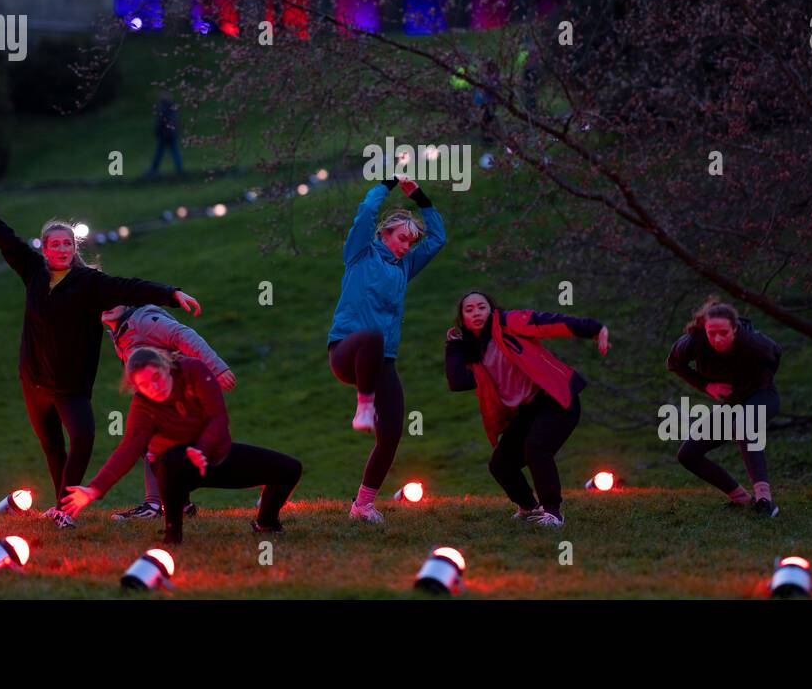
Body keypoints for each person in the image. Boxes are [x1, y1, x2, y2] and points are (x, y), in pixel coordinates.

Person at [0, 196, 200, 528]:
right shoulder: (33, 271)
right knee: (52, 448)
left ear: (73, 248)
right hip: (33, 380)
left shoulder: (89, 283)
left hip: (70, 386)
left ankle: (66, 507)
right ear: (45, 248)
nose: (61, 249)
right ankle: (63, 508)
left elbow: (129, 287)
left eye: (67, 243)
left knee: (84, 436)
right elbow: (7, 239)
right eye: (55, 244)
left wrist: (172, 294)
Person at [61, 347, 302, 543]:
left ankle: (266, 523)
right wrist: (93, 489)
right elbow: (129, 448)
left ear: (167, 367)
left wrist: (201, 450)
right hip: (174, 470)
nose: (154, 388)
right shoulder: (144, 405)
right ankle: (172, 533)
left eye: (156, 377)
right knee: (170, 458)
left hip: (214, 456)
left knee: (290, 469)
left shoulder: (193, 371)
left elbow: (217, 417)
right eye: (144, 385)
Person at [327, 172, 446, 523]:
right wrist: (389, 183)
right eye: (401, 239)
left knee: (392, 433)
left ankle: (362, 505)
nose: (406, 247)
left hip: (383, 363)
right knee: (372, 336)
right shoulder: (360, 254)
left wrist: (420, 197)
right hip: (346, 351)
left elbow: (438, 239)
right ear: (384, 234)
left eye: (410, 243)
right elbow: (365, 212)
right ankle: (363, 407)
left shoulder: (404, 266)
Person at [444, 292, 609, 527]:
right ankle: (530, 508)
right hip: (527, 411)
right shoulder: (470, 350)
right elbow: (457, 381)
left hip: (556, 398)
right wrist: (453, 346)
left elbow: (549, 323)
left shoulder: (509, 323)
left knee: (536, 447)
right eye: (469, 310)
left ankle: (553, 512)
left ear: (491, 310)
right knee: (500, 464)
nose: (476, 313)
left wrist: (594, 329)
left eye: (481, 307)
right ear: (462, 318)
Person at [101, 304, 236, 520]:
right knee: (161, 444)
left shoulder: (141, 321)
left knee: (152, 441)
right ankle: (179, 503)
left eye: (112, 300)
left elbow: (182, 334)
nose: (105, 307)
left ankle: (153, 505)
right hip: (163, 397)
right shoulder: (122, 330)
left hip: (177, 393)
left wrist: (217, 367)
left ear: (126, 300)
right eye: (100, 302)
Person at [666, 298, 783, 517]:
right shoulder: (694, 341)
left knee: (743, 424)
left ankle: (765, 500)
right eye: (712, 333)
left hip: (763, 396)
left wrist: (755, 383)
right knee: (688, 454)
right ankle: (740, 498)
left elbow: (776, 356)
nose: (717, 339)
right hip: (734, 404)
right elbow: (674, 364)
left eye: (723, 333)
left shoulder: (753, 343)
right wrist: (707, 385)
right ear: (705, 329)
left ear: (735, 329)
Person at [145, 93, 184, 177]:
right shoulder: (173, 109)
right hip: (172, 134)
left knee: (159, 152)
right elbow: (176, 122)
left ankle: (154, 169)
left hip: (164, 135)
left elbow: (160, 123)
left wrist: (157, 132)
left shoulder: (163, 109)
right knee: (174, 151)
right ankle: (179, 169)